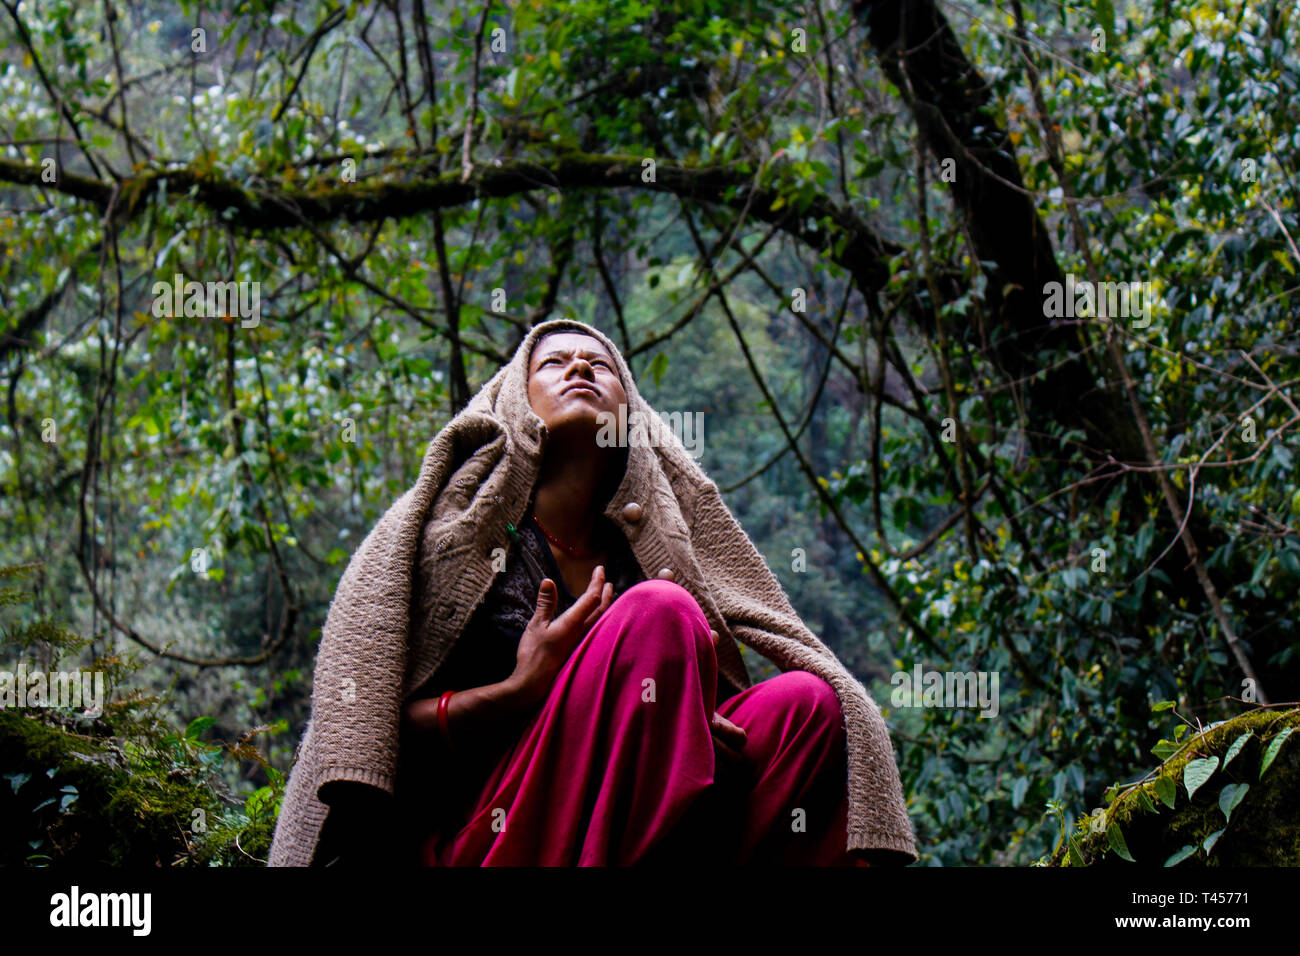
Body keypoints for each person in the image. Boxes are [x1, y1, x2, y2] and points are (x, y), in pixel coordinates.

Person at [270, 319, 917, 867]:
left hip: (647, 837)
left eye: (599, 365)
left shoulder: (649, 557)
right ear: (515, 403)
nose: (579, 366)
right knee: (660, 613)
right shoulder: (458, 538)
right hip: (481, 836)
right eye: (553, 362)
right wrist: (514, 695)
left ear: (631, 415)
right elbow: (364, 734)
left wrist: (679, 715)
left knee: (805, 705)